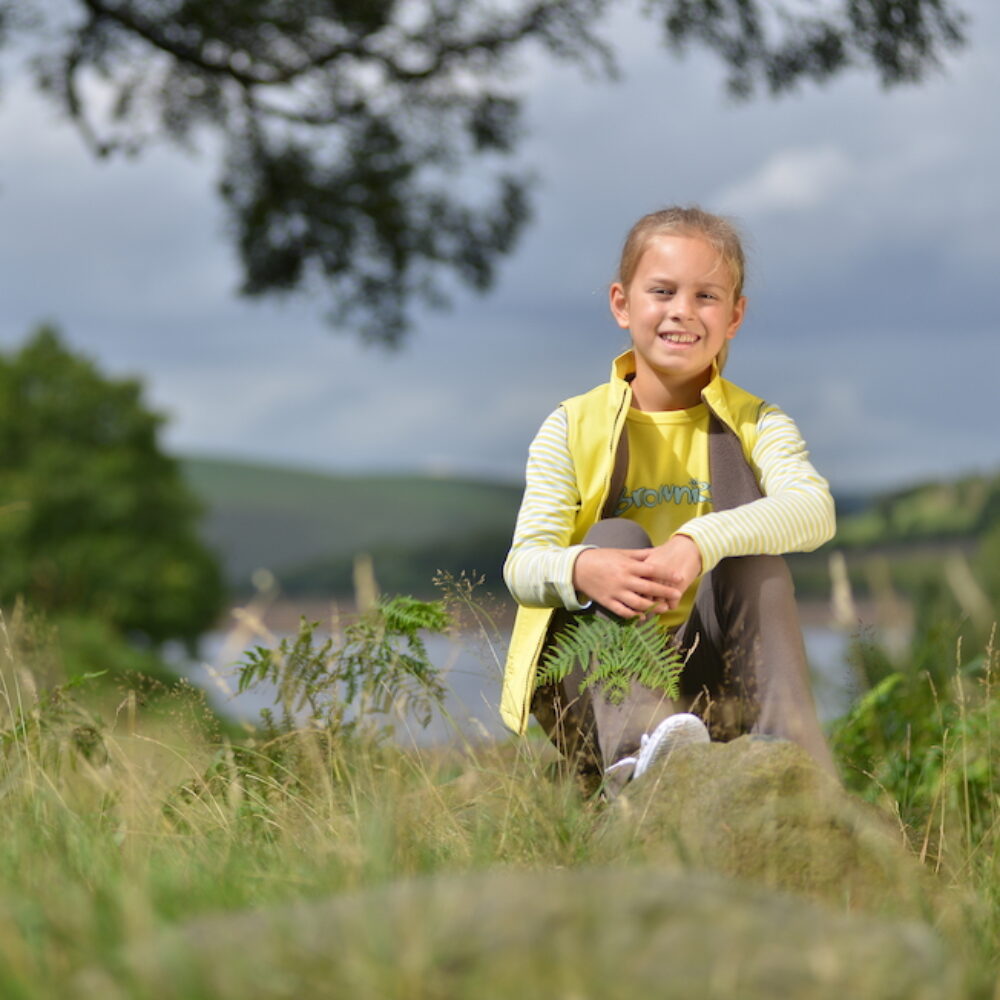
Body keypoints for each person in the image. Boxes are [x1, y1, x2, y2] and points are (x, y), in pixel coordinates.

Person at [500, 205, 837, 796]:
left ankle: (791, 765)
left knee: (754, 560)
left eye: (706, 296)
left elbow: (814, 510)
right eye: (662, 291)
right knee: (612, 540)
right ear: (622, 304)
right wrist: (582, 568)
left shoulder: (759, 422)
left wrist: (697, 541)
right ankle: (644, 765)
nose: (683, 310)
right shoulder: (569, 425)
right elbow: (523, 566)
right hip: (595, 685)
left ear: (735, 316)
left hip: (718, 682)